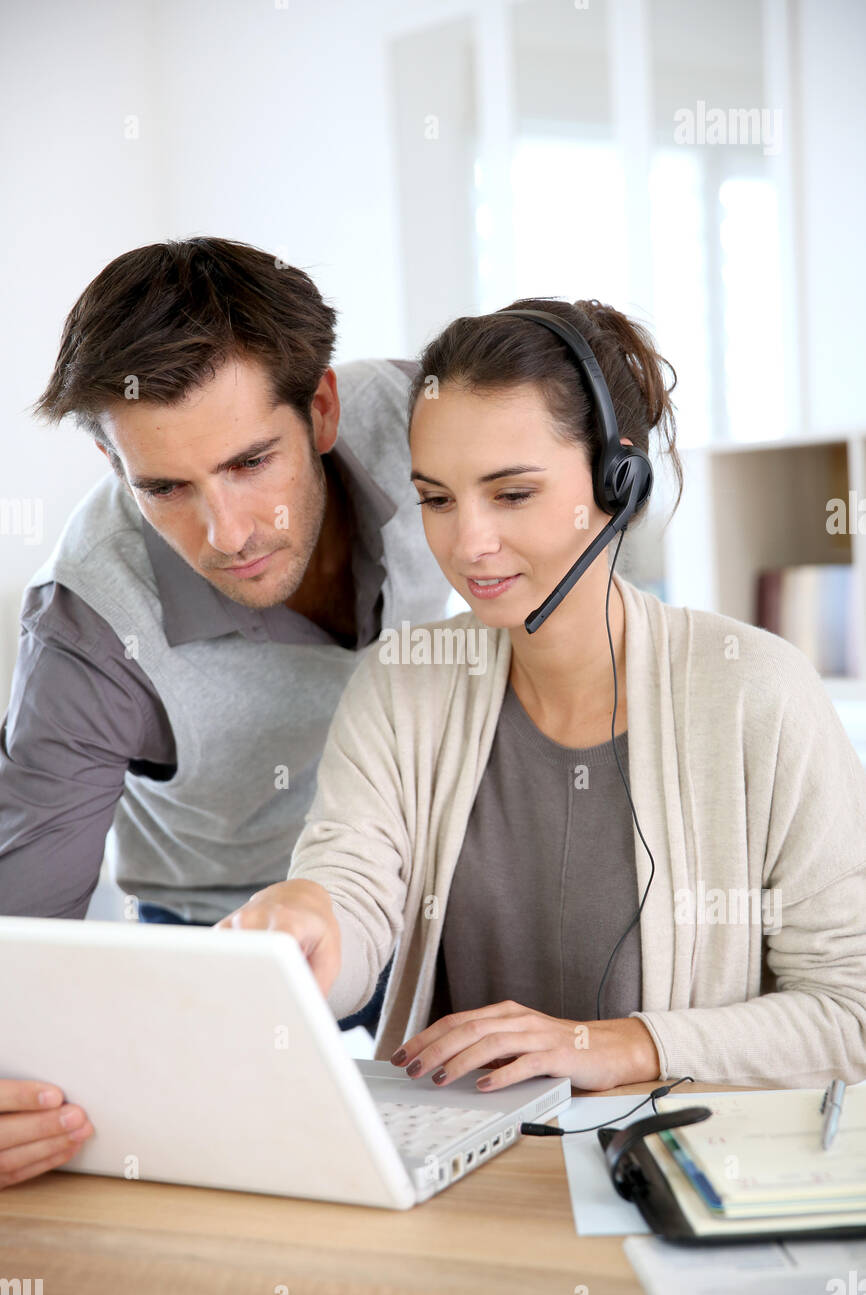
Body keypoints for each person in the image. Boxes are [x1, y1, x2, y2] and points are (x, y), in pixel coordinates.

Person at [215, 296, 866, 1097]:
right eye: (438, 499)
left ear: (616, 482)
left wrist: (625, 1045)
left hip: (673, 1170)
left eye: (512, 494)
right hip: (460, 1174)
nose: (468, 543)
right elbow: (353, 890)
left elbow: (852, 1014)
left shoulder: (754, 691)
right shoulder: (403, 683)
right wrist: (310, 917)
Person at [0, 237, 452, 1189]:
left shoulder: (432, 421)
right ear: (110, 461)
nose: (227, 532)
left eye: (251, 461)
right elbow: (21, 946)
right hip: (228, 950)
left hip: (427, 892)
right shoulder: (86, 631)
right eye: (163, 486)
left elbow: (586, 442)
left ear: (322, 408)